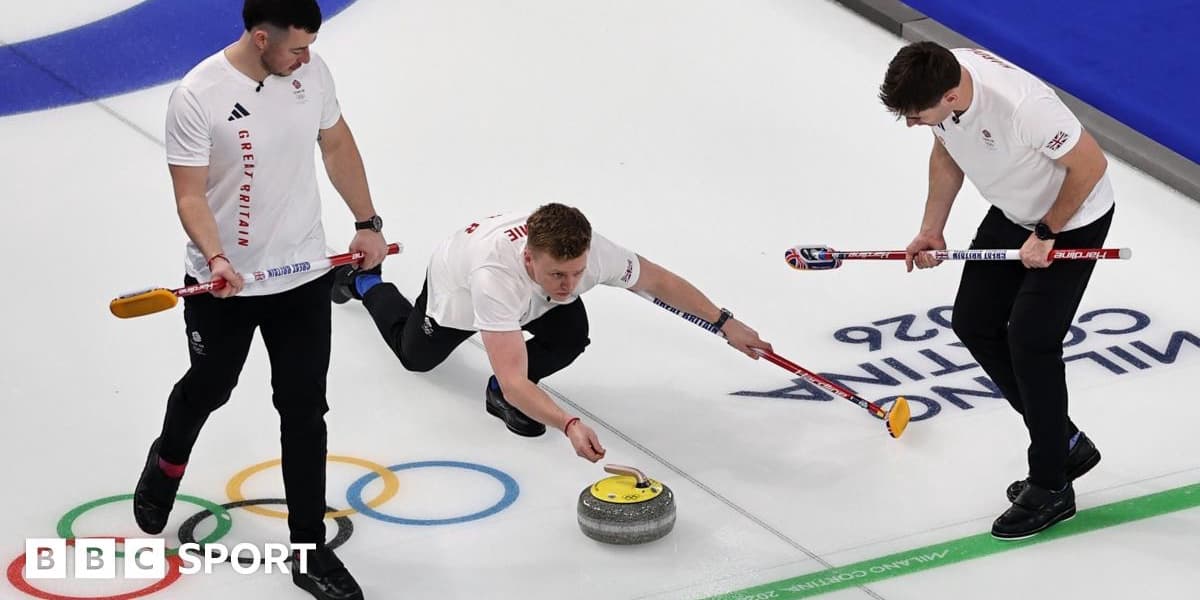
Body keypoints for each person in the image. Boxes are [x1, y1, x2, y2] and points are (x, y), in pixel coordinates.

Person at [133, 1, 386, 598]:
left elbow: (337, 143)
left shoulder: (311, 73)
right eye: (296, 49)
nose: (306, 60)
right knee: (211, 387)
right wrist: (219, 257)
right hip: (227, 284)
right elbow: (190, 194)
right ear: (259, 37)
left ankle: (308, 550)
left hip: (302, 277)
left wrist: (368, 220)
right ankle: (167, 460)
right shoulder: (198, 96)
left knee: (304, 411)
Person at [879, 41, 1114, 539]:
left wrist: (1047, 232)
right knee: (973, 323)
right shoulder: (944, 82)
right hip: (1013, 211)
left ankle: (1052, 484)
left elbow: (1091, 166)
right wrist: (931, 227)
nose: (911, 124)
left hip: (1071, 220)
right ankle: (1064, 442)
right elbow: (947, 150)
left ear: (949, 95)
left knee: (1031, 339)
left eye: (916, 115)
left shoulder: (1024, 108)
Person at [332, 203, 771, 461]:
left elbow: (658, 282)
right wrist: (568, 423)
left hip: (526, 296)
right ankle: (367, 283)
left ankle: (497, 401)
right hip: (458, 288)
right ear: (529, 259)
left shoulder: (591, 255)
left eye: (577, 273)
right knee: (415, 358)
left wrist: (723, 321)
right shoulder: (494, 280)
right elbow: (514, 378)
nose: (570, 284)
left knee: (571, 333)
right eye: (559, 274)